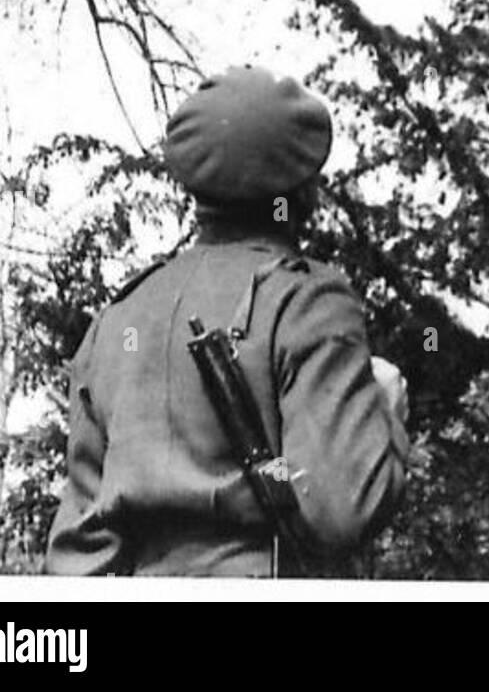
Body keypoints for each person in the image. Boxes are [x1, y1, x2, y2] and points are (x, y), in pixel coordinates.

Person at [44, 65, 409, 577]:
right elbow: (341, 510)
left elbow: (77, 555)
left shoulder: (119, 319)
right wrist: (384, 409)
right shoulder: (308, 301)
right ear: (300, 193)